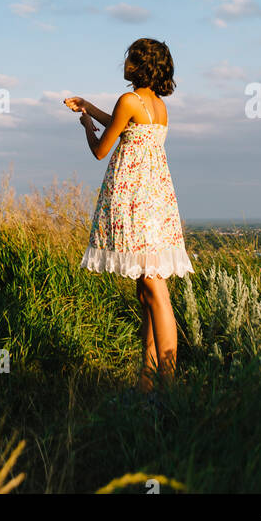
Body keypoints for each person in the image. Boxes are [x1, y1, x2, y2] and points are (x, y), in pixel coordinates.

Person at [65, 38, 193, 394]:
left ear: (138, 63)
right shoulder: (156, 104)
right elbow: (124, 125)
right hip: (156, 202)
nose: (125, 61)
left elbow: (102, 149)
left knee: (155, 290)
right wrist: (89, 107)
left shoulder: (129, 100)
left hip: (134, 201)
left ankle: (167, 388)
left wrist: (88, 128)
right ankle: (147, 383)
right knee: (146, 291)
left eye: (130, 57)